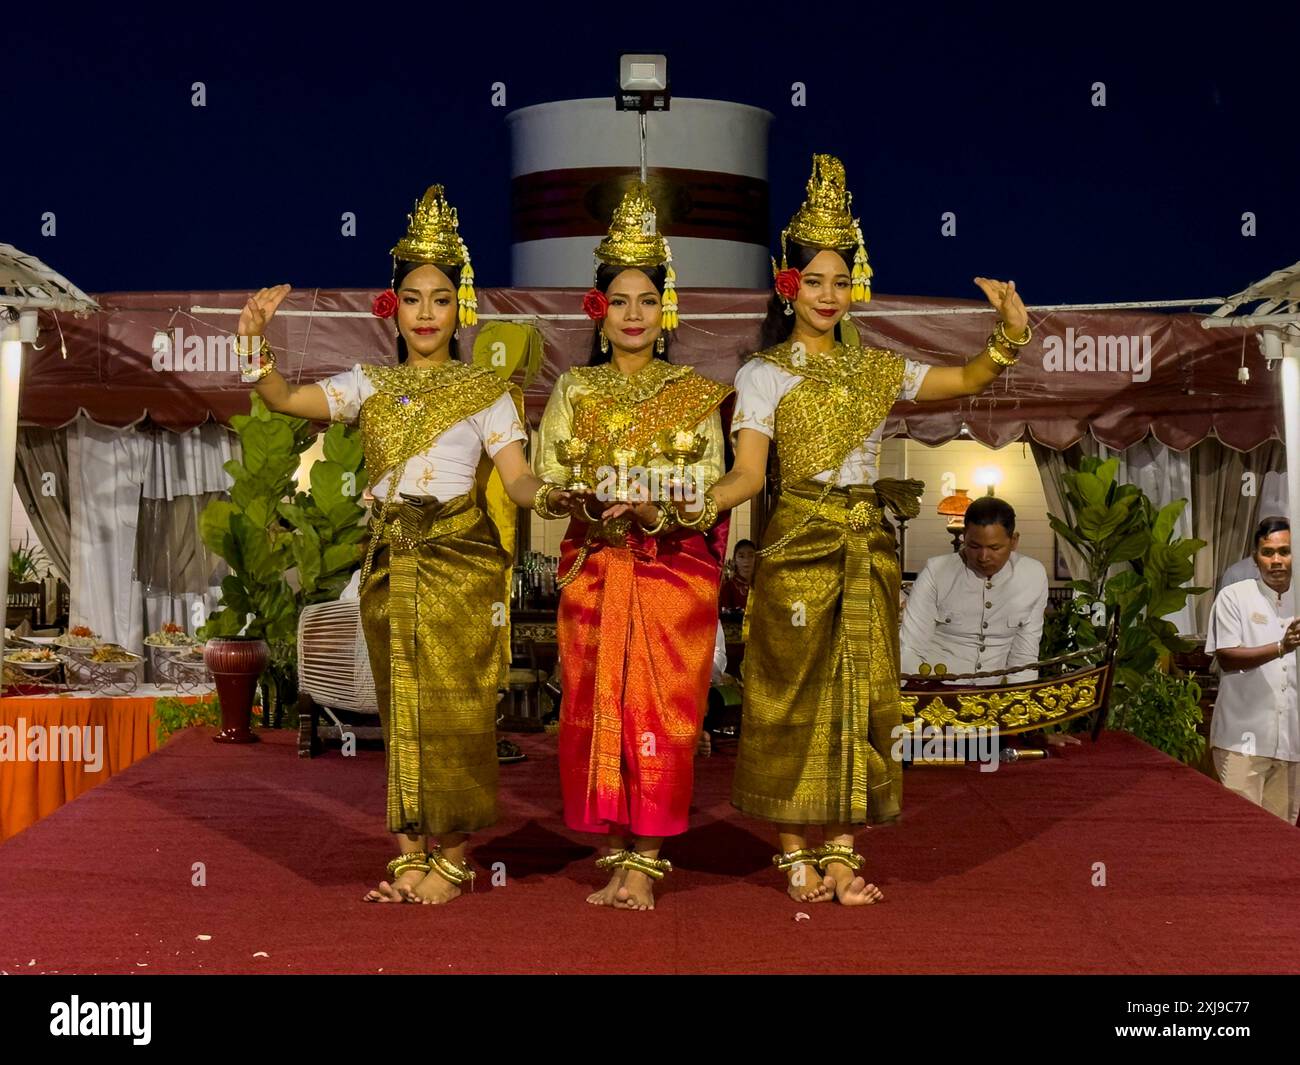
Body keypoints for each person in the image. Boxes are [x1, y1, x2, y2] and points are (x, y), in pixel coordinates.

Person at [705, 154, 1035, 905]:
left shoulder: (877, 369)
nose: (828, 294)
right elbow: (750, 475)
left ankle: (844, 850)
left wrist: (1009, 334)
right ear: (788, 284)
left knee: (859, 697)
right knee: (791, 699)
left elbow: (967, 378)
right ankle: (794, 848)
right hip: (797, 550)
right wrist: (696, 506)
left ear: (857, 283)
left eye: (839, 279)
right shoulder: (763, 374)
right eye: (813, 279)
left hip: (867, 551)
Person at [239, 185, 572, 905]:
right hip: (391, 564)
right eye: (414, 298)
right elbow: (284, 399)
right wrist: (251, 341)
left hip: (460, 561)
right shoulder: (371, 385)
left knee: (456, 708)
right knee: (401, 709)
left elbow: (514, 480)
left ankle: (452, 854)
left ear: (461, 307)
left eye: (441, 299)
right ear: (395, 306)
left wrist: (552, 494)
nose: (427, 313)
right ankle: (407, 852)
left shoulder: (487, 392)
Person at [533, 181, 732, 911]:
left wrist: (657, 510)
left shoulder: (693, 392)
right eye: (620, 300)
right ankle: (616, 846)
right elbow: (549, 476)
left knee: (659, 715)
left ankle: (648, 857)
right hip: (595, 570)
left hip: (669, 573)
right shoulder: (573, 390)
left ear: (665, 308)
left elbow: (712, 486)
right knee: (594, 706)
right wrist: (571, 498)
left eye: (647, 300)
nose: (634, 315)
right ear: (598, 309)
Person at [1206, 517, 1300, 823]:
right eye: (1268, 552)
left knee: (1282, 841)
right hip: (1241, 742)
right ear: (1254, 556)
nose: (1276, 561)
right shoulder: (1235, 597)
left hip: (1292, 745)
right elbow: (1227, 656)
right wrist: (1280, 647)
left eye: (1284, 552)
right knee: (1240, 837)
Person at [720, 539, 756, 614]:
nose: (746, 560)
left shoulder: (761, 585)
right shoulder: (729, 587)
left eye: (751, 556)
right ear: (735, 560)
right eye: (741, 556)